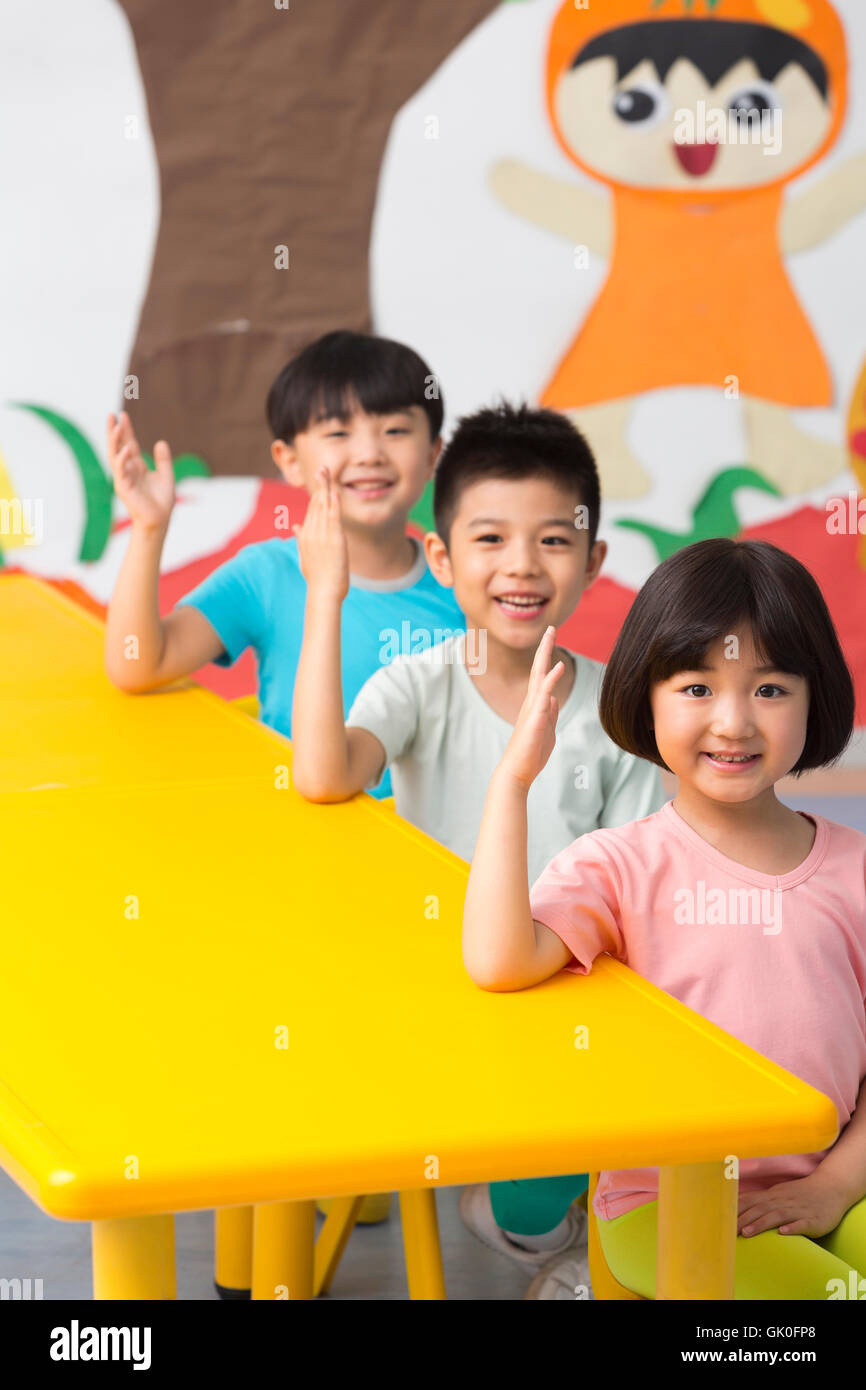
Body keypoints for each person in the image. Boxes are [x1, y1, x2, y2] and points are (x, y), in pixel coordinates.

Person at [292, 400, 666, 1295]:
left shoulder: (620, 711)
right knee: (537, 1198)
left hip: (570, 993)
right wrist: (326, 593)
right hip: (442, 992)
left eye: (553, 540)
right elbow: (322, 774)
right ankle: (560, 1229)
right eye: (491, 539)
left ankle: (572, 1230)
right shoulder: (420, 683)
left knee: (573, 1187)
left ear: (594, 561)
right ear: (442, 558)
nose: (521, 567)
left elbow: (642, 894)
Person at [463, 538, 866, 1299]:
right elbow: (498, 960)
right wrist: (511, 784)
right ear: (645, 698)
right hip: (663, 1203)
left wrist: (835, 1187)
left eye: (771, 689)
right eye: (696, 688)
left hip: (835, 1182)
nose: (735, 722)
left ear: (816, 699)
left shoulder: (855, 867)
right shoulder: (617, 866)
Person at [103, 329, 465, 804]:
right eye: (338, 433)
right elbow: (137, 664)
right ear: (289, 461)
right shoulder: (267, 574)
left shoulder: (466, 585)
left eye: (395, 430)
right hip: (296, 843)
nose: (369, 453)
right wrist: (148, 529)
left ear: (433, 453)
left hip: (431, 857)